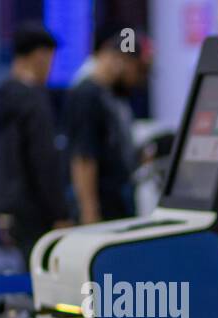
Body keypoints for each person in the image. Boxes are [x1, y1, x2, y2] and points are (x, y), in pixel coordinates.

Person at [0, 23, 71, 263]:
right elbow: (43, 160)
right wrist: (59, 212)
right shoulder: (35, 101)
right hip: (33, 212)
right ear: (39, 56)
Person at [64, 24, 141, 223]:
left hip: (116, 201)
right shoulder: (86, 94)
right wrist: (89, 209)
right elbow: (83, 157)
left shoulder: (110, 95)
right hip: (102, 205)